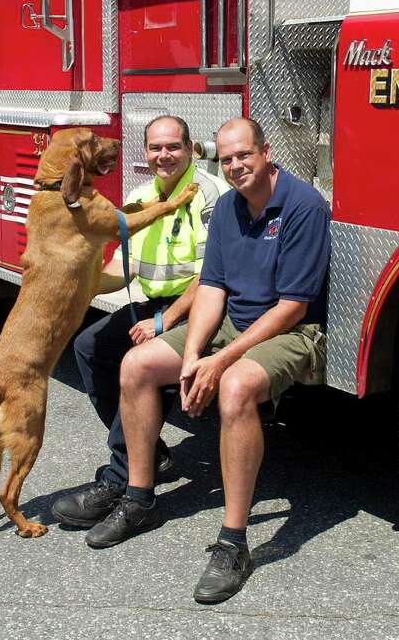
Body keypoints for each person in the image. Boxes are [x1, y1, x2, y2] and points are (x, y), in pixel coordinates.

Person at [85, 117, 329, 605]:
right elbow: (212, 288)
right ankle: (138, 498)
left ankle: (233, 542)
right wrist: (194, 354)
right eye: (227, 158)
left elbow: (293, 307)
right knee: (137, 365)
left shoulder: (303, 206)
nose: (236, 166)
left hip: (292, 330)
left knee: (235, 387)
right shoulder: (226, 209)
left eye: (244, 155)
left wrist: (219, 364)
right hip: (230, 322)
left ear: (265, 151)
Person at [52, 115, 226, 530]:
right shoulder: (140, 193)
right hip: (153, 304)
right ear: (145, 152)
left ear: (189, 149)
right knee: (89, 347)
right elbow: (122, 268)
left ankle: (120, 477)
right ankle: (148, 452)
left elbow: (212, 275)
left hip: (199, 307)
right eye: (155, 148)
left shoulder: (210, 195)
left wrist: (165, 320)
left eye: (172, 147)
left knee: (140, 363)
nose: (163, 156)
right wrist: (79, 282)